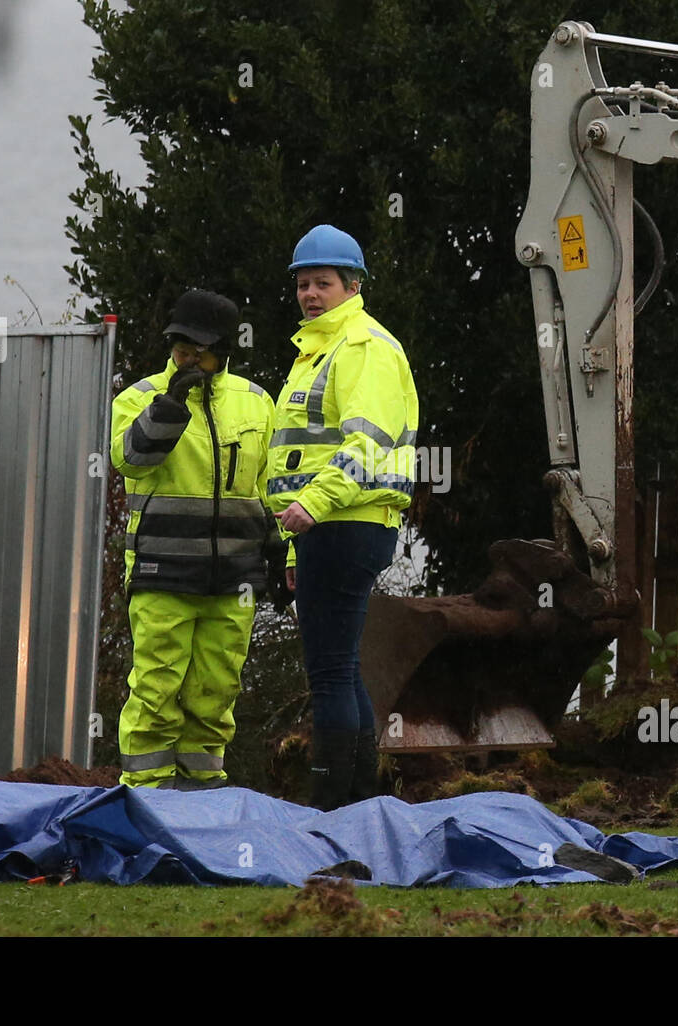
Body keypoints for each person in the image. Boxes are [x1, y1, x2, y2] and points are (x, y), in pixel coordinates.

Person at [268, 225, 420, 810]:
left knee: (328, 671)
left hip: (345, 523)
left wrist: (312, 507)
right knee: (342, 665)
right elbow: (293, 465)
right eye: (303, 283)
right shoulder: (317, 352)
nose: (310, 294)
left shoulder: (361, 348)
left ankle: (330, 805)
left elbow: (365, 447)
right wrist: (290, 549)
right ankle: (356, 801)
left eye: (322, 283)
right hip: (327, 528)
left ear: (352, 286)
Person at [110, 289, 283, 789]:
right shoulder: (140, 398)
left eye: (199, 349)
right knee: (155, 691)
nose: (187, 356)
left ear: (224, 350)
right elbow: (130, 460)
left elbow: (271, 488)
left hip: (234, 579)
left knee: (216, 695)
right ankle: (146, 803)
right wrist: (170, 406)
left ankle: (203, 805)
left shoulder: (256, 403)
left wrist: (281, 555)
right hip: (162, 574)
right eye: (180, 346)